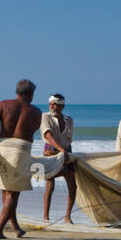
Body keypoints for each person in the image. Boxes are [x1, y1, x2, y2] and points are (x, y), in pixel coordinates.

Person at [0, 79, 42, 239]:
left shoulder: (4, 104)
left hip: (2, 148)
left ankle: (15, 227)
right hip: (20, 150)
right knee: (13, 193)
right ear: (31, 94)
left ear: (17, 91)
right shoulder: (36, 112)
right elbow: (34, 129)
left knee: (6, 188)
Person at [40, 93, 76, 223]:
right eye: (50, 104)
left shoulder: (69, 119)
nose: (52, 106)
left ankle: (68, 216)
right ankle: (46, 217)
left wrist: (65, 152)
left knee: (73, 185)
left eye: (55, 104)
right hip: (51, 151)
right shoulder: (45, 117)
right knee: (49, 185)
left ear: (62, 105)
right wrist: (60, 150)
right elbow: (48, 135)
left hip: (66, 152)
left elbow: (68, 139)